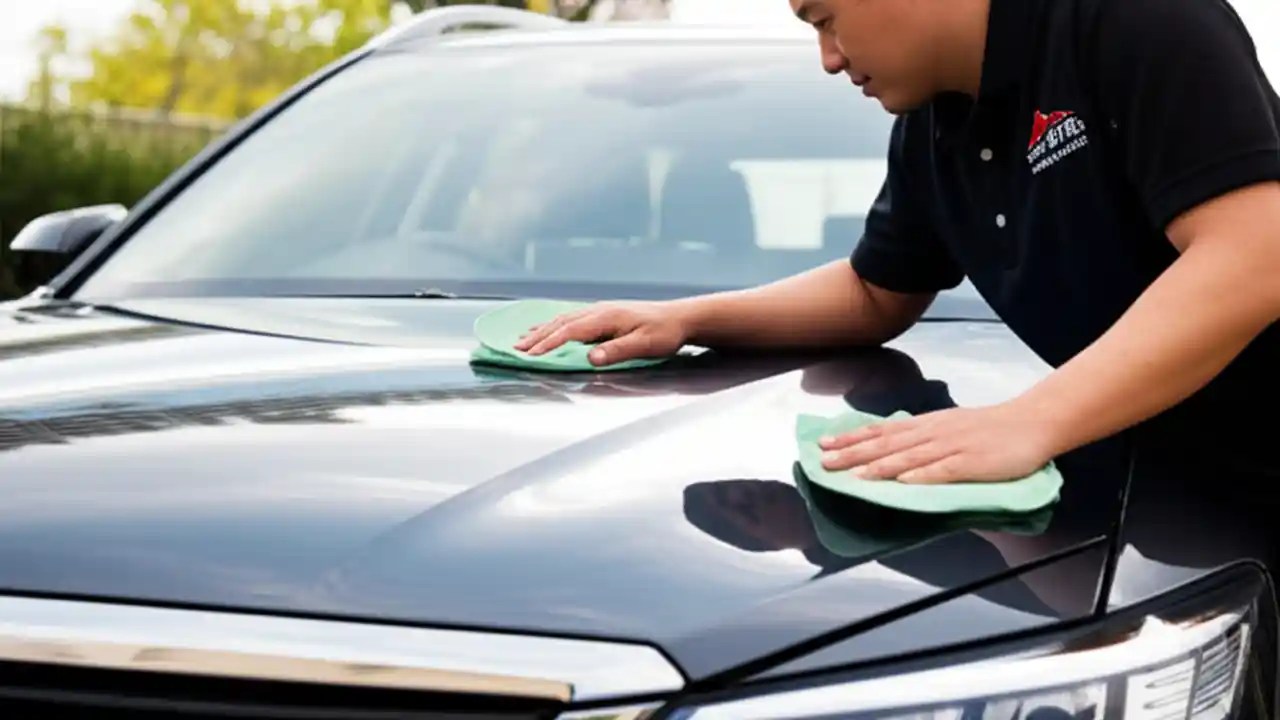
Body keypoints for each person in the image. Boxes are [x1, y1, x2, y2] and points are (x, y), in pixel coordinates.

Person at [514, 0, 1280, 485]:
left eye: (823, 19)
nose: (830, 59)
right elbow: (875, 291)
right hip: (1168, 487)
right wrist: (688, 320)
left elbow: (1254, 255)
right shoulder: (931, 127)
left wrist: (1025, 421)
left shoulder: (1130, 18)